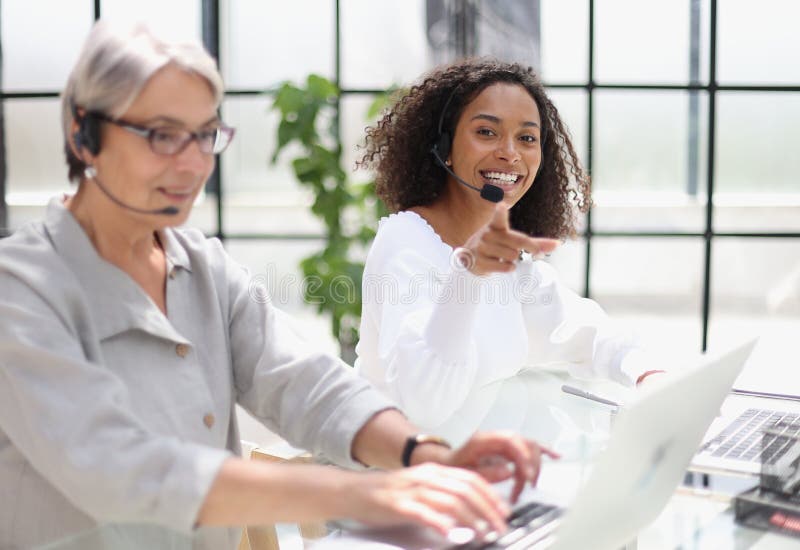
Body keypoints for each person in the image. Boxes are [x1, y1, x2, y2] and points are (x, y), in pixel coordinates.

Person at [0, 24, 556, 549]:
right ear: (83, 131)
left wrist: (424, 454)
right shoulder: (21, 287)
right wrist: (367, 492)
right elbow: (116, 465)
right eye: (162, 135)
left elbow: (305, 384)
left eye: (204, 136)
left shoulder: (205, 271)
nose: (192, 164)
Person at [354, 59, 665, 446]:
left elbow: (586, 330)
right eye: (487, 132)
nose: (510, 153)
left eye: (527, 138)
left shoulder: (506, 258)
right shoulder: (406, 242)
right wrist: (468, 273)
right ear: (443, 147)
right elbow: (425, 405)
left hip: (476, 469)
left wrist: (649, 375)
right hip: (401, 479)